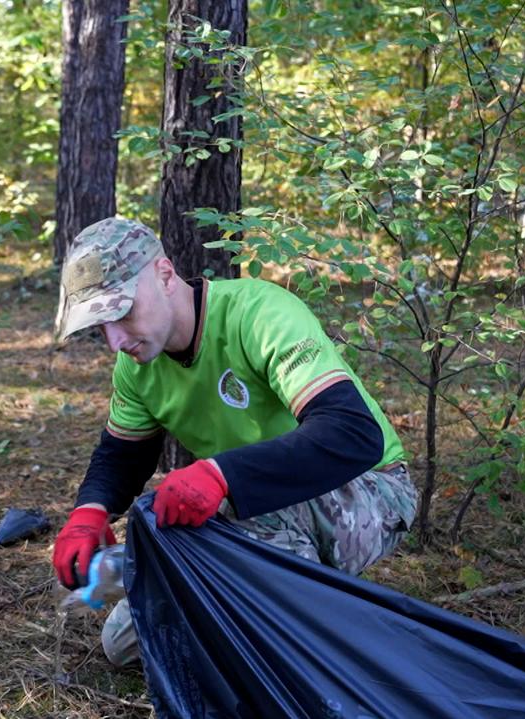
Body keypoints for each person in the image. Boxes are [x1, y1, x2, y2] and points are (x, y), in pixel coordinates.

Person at [51, 216, 417, 667]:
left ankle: (314, 637)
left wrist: (221, 475)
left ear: (165, 275)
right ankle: (263, 612)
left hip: (369, 487)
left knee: (248, 585)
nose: (115, 341)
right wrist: (89, 512)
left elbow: (353, 435)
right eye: (101, 325)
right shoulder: (137, 366)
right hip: (253, 505)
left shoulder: (259, 315)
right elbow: (122, 455)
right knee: (124, 642)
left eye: (123, 311)